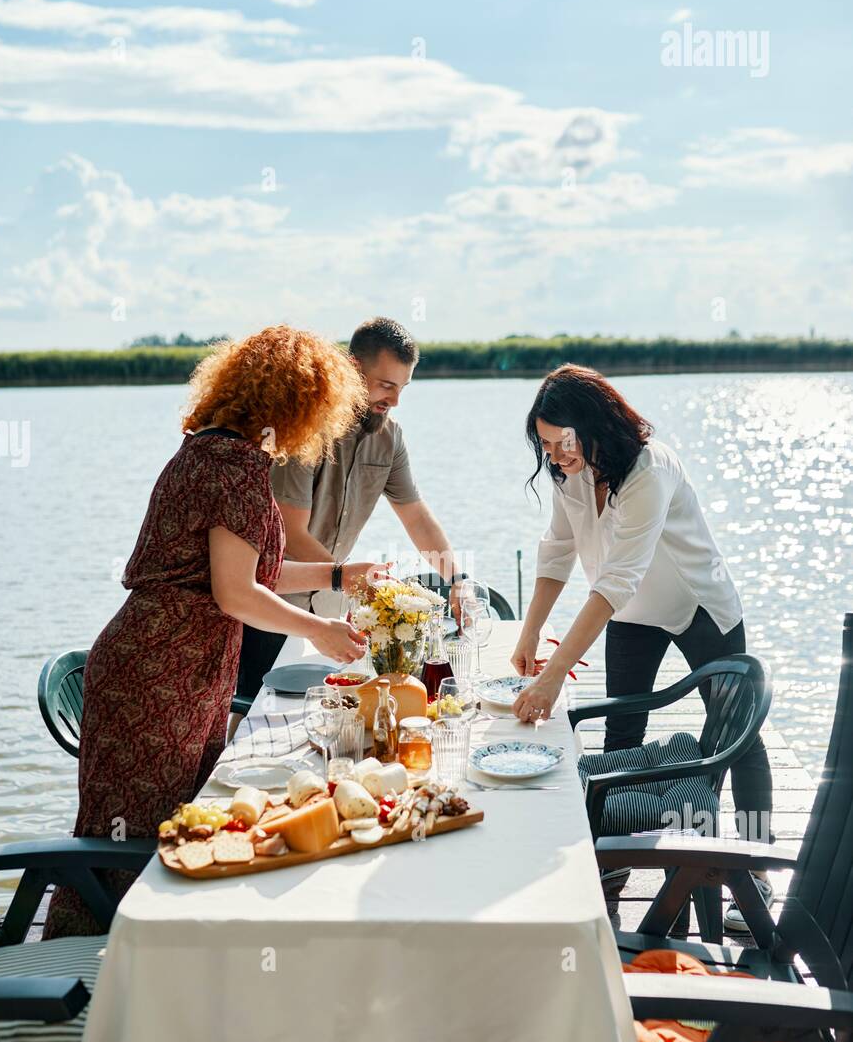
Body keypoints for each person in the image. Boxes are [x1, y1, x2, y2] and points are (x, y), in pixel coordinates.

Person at [43, 326, 384, 939]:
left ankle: (145, 961)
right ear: (296, 406)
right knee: (135, 829)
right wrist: (321, 630)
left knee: (171, 823)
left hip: (178, 663)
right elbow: (236, 593)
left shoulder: (214, 451)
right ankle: (96, 964)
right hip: (157, 671)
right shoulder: (232, 467)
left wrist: (338, 572)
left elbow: (245, 571)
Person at [510, 364, 773, 933]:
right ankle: (612, 870)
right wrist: (530, 632)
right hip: (630, 613)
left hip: (697, 603)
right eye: (545, 444)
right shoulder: (569, 472)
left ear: (594, 423)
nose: (554, 454)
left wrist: (555, 674)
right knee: (622, 732)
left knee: (737, 736)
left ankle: (752, 869)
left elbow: (617, 577)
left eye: (562, 441)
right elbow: (557, 551)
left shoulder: (649, 467)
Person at [234, 317, 466, 716]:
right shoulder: (307, 429)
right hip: (271, 604)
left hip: (327, 610)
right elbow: (289, 531)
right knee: (254, 716)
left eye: (402, 388)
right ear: (353, 370)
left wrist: (457, 579)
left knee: (319, 717)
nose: (394, 400)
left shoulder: (390, 438)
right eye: (386, 386)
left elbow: (416, 516)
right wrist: (354, 582)